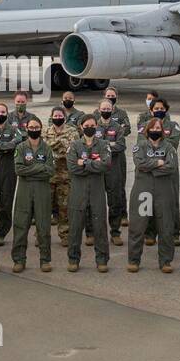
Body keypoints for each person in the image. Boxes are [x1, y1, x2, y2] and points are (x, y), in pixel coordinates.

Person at [127, 118, 178, 272]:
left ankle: (165, 262)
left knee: (166, 227)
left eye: (158, 128)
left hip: (164, 192)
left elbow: (171, 167)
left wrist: (151, 167)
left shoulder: (169, 147)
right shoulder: (140, 146)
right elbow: (140, 164)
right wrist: (158, 163)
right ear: (147, 130)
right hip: (144, 192)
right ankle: (134, 260)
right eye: (153, 127)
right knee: (138, 226)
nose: (155, 130)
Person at [10, 117, 54, 272]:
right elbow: (18, 170)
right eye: (31, 127)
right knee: (21, 225)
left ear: (41, 129)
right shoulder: (21, 147)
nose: (34, 130)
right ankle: (19, 260)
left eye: (37, 127)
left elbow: (50, 170)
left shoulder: (46, 148)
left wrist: (32, 171)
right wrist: (39, 167)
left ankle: (45, 260)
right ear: (26, 128)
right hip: (24, 190)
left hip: (42, 190)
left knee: (43, 226)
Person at [67, 116, 110, 272]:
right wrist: (94, 164)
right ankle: (73, 259)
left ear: (97, 126)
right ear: (81, 127)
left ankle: (102, 259)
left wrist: (84, 163)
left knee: (100, 226)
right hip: (78, 189)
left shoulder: (104, 144)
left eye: (92, 125)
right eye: (87, 125)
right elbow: (72, 167)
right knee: (75, 226)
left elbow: (105, 165)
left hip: (97, 190)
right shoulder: (74, 145)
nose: (90, 127)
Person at [142, 97, 180, 246]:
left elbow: (173, 143)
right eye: (156, 109)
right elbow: (142, 144)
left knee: (171, 201)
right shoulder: (145, 125)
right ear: (151, 111)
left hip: (169, 170)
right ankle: (150, 233)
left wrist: (156, 143)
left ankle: (174, 232)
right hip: (150, 171)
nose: (159, 111)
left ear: (166, 109)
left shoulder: (173, 125)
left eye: (161, 108)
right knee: (149, 201)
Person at [0, 102, 25, 244]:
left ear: (7, 114)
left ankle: (1, 233)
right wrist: (6, 146)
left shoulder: (14, 130)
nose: (0, 114)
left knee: (6, 203)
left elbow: (18, 141)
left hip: (8, 169)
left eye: (3, 112)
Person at [94, 98, 128, 244]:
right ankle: (94, 232)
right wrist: (109, 144)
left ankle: (115, 232)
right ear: (99, 109)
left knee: (115, 200)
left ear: (112, 110)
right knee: (96, 202)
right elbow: (90, 146)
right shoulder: (93, 126)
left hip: (113, 167)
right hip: (98, 169)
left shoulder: (118, 127)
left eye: (108, 109)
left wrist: (102, 146)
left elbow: (120, 146)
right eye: (104, 109)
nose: (106, 111)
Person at [46, 107, 75, 247]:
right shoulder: (45, 131)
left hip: (65, 176)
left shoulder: (72, 131)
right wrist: (61, 146)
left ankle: (65, 235)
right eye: (55, 115)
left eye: (60, 115)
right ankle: (42, 236)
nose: (57, 117)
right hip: (49, 177)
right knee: (45, 208)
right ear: (51, 117)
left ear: (64, 117)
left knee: (65, 208)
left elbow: (72, 150)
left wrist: (54, 149)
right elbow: (44, 151)